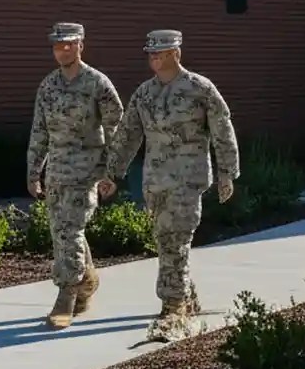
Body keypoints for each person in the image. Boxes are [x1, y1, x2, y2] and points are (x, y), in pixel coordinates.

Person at [105, 29, 240, 342]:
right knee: (165, 240)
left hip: (187, 179)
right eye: (151, 54)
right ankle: (185, 293)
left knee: (176, 238)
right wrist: (112, 173)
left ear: (176, 54)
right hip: (155, 181)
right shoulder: (144, 93)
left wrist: (227, 172)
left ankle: (173, 305)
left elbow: (222, 129)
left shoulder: (199, 88)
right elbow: (128, 135)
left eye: (160, 54)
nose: (154, 59)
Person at [26, 22, 124, 329]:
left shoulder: (97, 83)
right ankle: (87, 280)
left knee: (70, 229)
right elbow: (40, 131)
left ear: (81, 45)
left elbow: (116, 129)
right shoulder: (48, 86)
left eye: (69, 44)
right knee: (62, 232)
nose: (63, 50)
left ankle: (66, 295)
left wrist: (112, 172)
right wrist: (34, 171)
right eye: (58, 45)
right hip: (56, 171)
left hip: (87, 171)